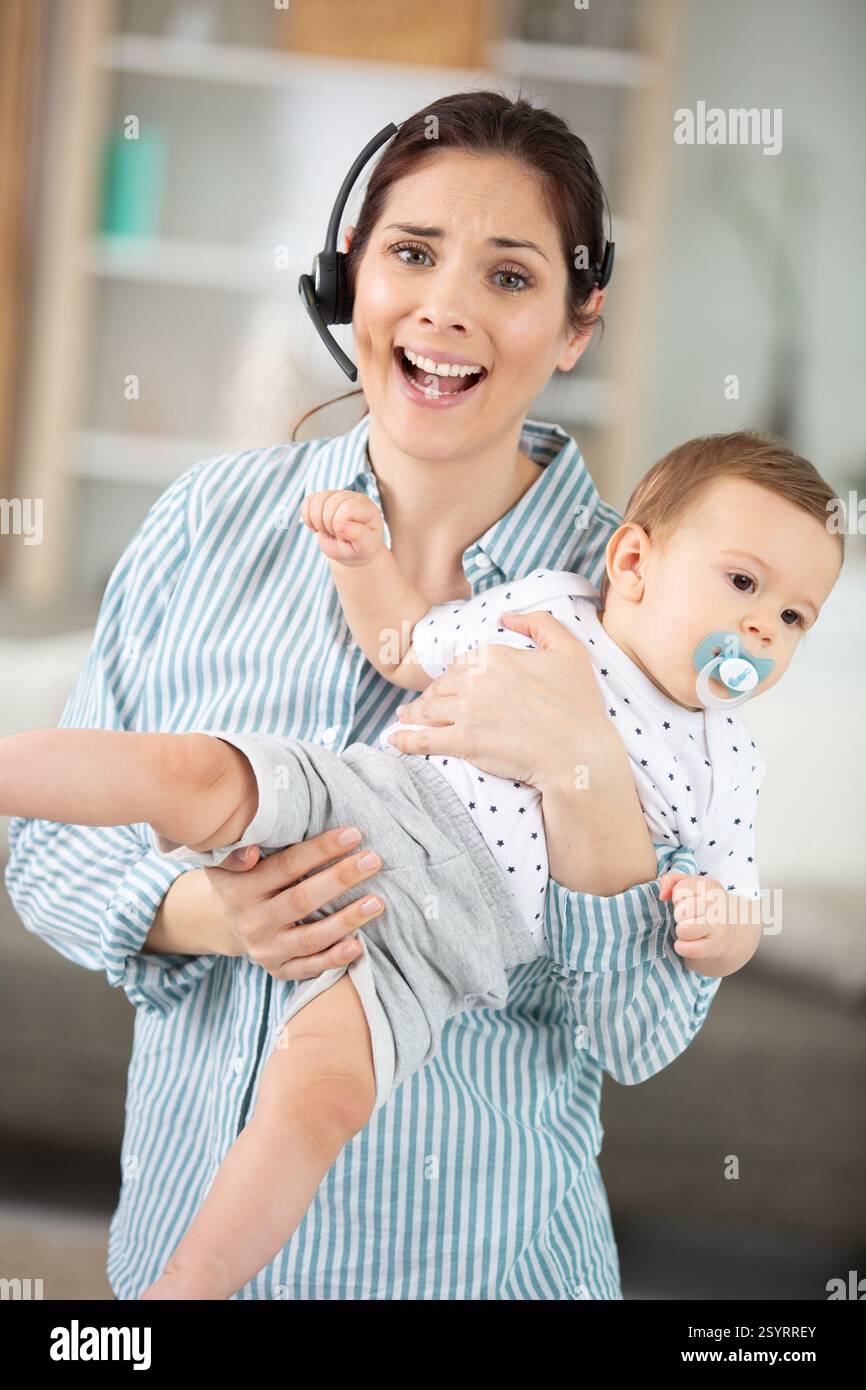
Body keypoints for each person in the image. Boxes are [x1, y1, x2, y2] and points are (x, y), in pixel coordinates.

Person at [6, 90, 737, 1300]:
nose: (445, 306)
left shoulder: (638, 626)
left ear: (574, 324)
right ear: (348, 282)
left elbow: (640, 1031)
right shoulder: (207, 523)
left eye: (508, 276)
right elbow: (46, 847)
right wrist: (209, 912)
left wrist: (586, 777)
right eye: (410, 253)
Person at [0, 430, 843, 1301]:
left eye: (793, 619)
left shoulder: (723, 763)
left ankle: (184, 1289)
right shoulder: (550, 607)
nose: (760, 628)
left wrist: (719, 929)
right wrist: (361, 560)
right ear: (632, 561)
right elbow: (404, 648)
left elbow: (733, 912)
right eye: (744, 583)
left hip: (448, 938)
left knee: (319, 1097)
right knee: (191, 773)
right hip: (373, 804)